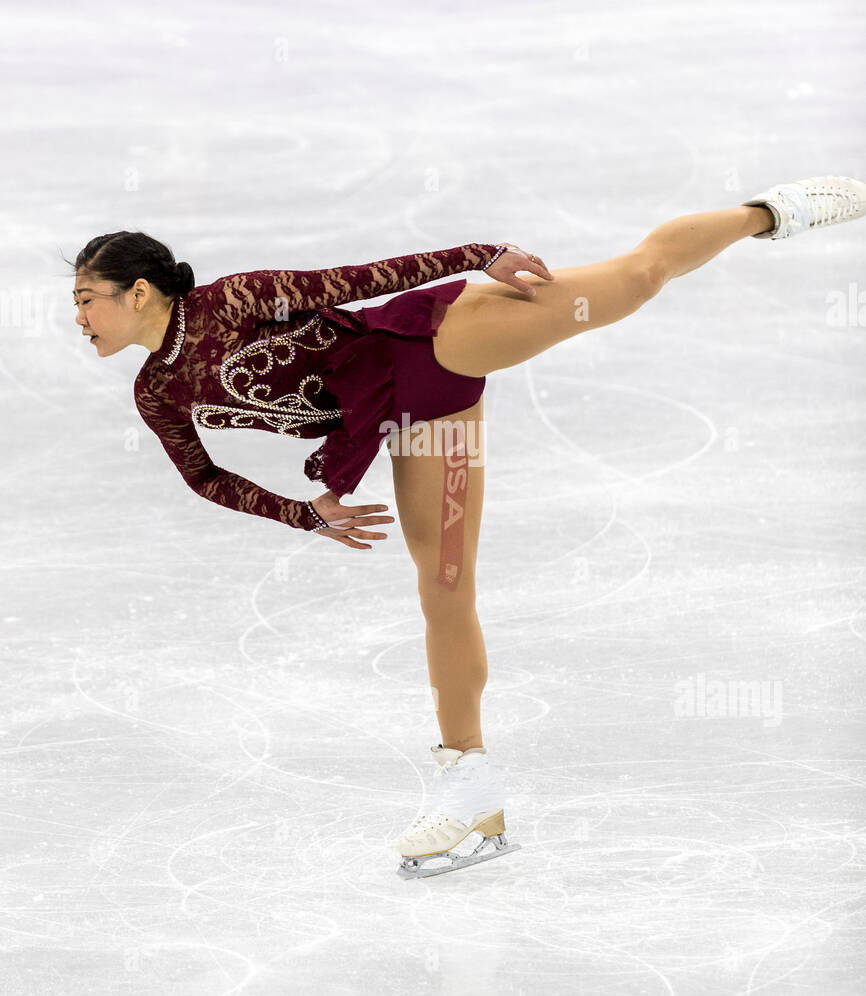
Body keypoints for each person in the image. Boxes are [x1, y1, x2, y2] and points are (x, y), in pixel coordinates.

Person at [70, 175, 866, 878]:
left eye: (85, 299)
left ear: (137, 291)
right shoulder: (156, 392)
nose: (78, 317)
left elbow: (354, 279)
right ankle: (471, 780)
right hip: (410, 411)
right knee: (445, 583)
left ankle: (772, 212)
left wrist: (480, 254)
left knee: (634, 277)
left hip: (430, 336)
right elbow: (204, 478)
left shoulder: (228, 301)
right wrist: (304, 513)